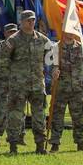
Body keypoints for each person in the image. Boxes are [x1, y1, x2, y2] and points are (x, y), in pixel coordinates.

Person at [4, 9, 52, 155]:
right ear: (22, 22)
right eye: (28, 20)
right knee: (15, 116)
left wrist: (55, 69)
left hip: (37, 84)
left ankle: (40, 146)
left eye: (32, 20)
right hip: (18, 85)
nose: (31, 23)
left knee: (39, 116)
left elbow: (51, 57)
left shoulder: (43, 40)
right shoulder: (13, 40)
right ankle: (13, 145)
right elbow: (3, 61)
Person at [49, 30, 83, 152]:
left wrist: (78, 77)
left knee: (79, 117)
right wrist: (54, 72)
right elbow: (50, 65)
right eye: (68, 31)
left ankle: (80, 143)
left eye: (72, 31)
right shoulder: (57, 47)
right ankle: (55, 144)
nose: (71, 33)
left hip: (77, 89)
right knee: (57, 117)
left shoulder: (82, 48)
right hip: (61, 89)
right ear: (64, 31)